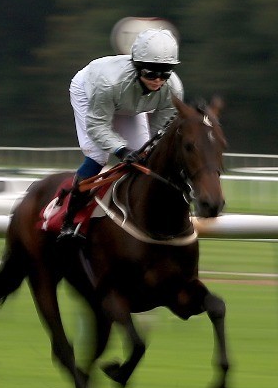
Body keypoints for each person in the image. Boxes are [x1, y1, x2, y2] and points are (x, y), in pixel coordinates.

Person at [59, 26, 184, 240]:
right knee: (98, 156)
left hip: (129, 102)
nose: (158, 80)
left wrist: (143, 152)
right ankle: (69, 221)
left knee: (144, 156)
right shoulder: (109, 83)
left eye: (165, 73)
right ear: (137, 67)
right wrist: (122, 150)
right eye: (151, 73)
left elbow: (159, 132)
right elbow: (97, 126)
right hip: (90, 92)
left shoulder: (173, 89)